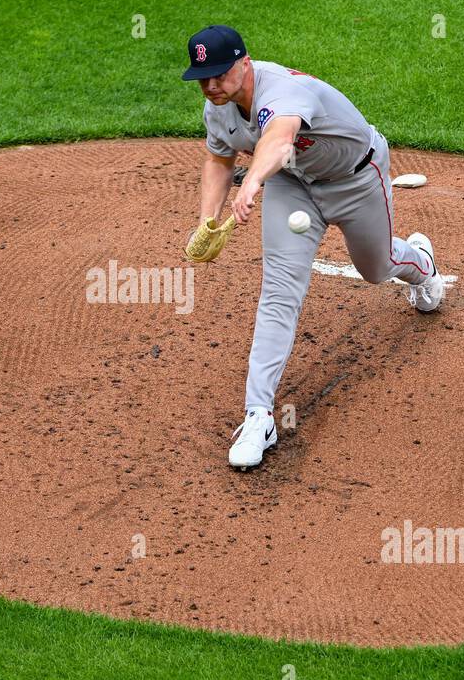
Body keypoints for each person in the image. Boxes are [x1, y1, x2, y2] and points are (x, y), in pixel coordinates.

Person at [181, 24, 444, 470]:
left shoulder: (281, 91)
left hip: (356, 178)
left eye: (220, 74)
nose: (211, 86)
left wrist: (255, 182)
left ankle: (420, 262)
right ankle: (258, 415)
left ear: (244, 63)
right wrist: (208, 218)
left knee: (376, 268)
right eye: (202, 78)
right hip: (293, 185)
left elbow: (279, 138)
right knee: (279, 292)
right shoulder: (219, 109)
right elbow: (219, 159)